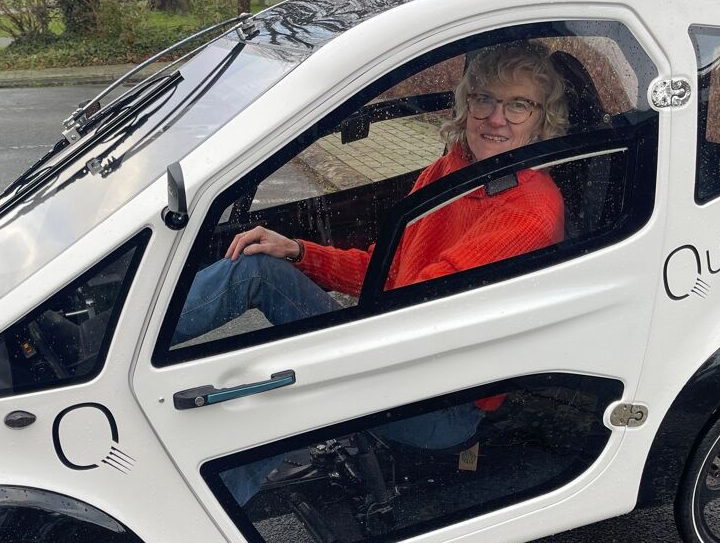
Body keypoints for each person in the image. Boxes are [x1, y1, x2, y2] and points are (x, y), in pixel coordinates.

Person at [177, 41, 570, 505]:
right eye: (485, 99)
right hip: (393, 350)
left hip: (444, 399)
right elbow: (386, 272)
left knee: (292, 390)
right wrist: (298, 252)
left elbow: (414, 305)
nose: (496, 117)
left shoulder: (529, 214)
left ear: (543, 120)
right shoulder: (450, 172)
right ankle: (106, 352)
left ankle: (200, 522)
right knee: (258, 265)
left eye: (518, 105)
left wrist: (328, 351)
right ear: (467, 104)